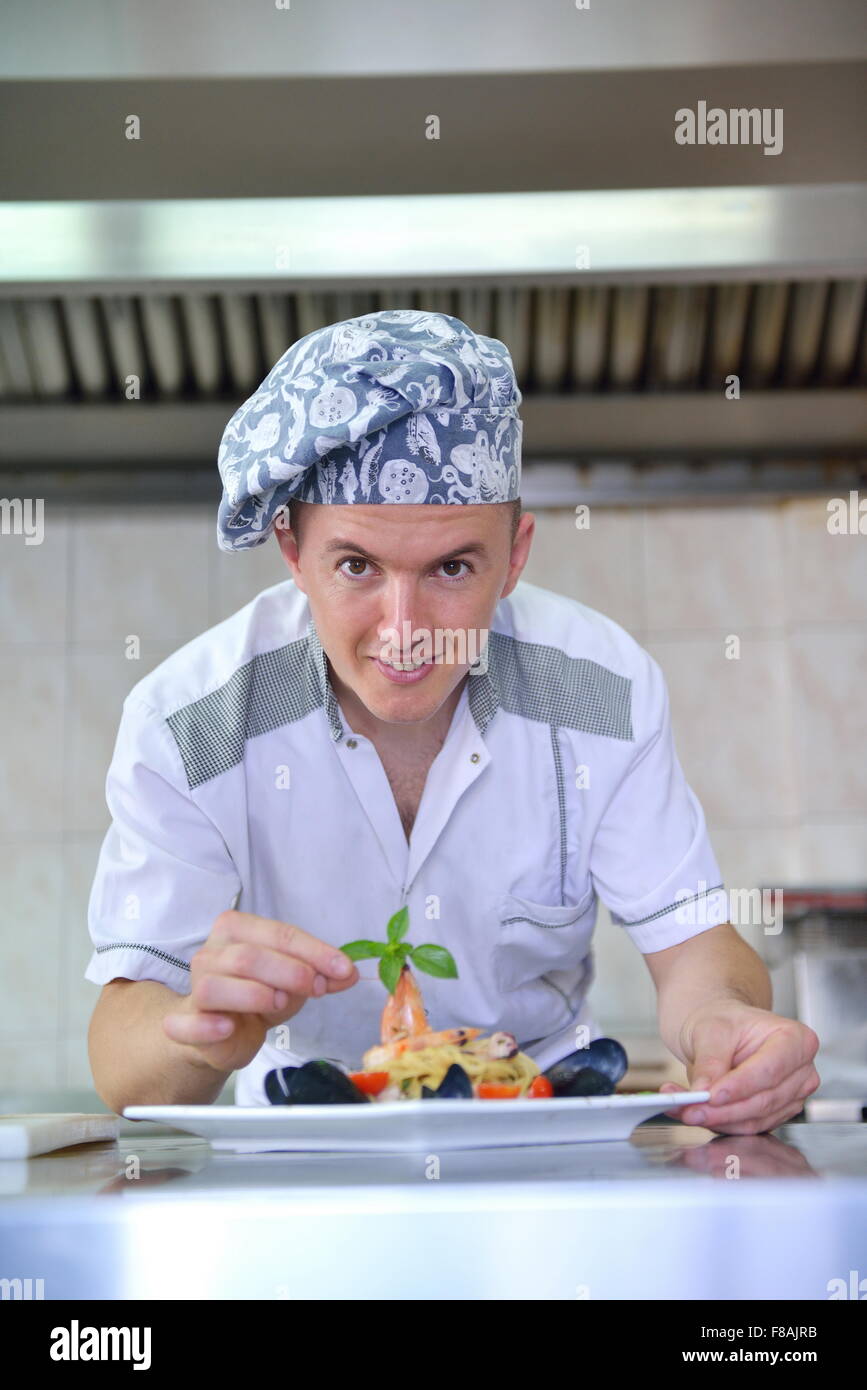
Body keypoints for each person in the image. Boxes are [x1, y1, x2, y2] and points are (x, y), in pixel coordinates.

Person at [86, 309, 819, 1133]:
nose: (405, 630)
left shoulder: (602, 692)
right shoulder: (189, 724)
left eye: (451, 568)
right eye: (356, 565)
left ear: (515, 555)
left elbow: (692, 948)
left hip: (538, 1138)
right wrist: (196, 1036)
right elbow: (122, 1056)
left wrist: (720, 1022)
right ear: (292, 551)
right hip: (295, 1160)